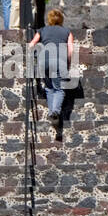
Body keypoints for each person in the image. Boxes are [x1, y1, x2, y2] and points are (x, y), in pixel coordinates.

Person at [28, 9, 74, 139]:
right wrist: (69, 64)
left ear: (49, 19)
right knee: (59, 88)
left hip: (44, 61)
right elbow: (70, 50)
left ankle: (52, 113)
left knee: (49, 87)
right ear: (61, 20)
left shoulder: (42, 30)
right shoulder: (67, 32)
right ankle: (55, 111)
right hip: (60, 61)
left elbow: (31, 44)